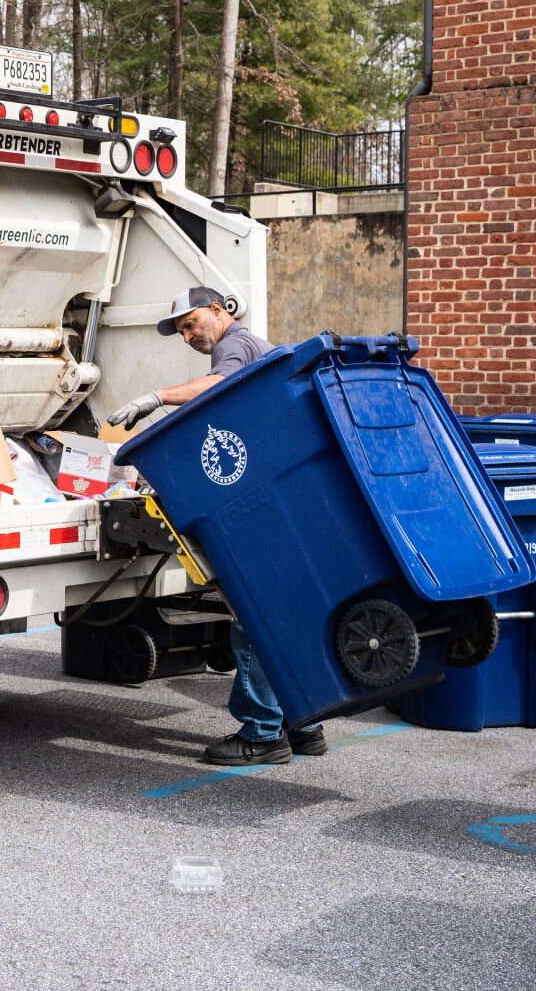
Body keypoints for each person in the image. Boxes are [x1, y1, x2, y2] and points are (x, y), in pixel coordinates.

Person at [106, 286, 326, 767]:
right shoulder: (250, 346)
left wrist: (155, 398)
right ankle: (304, 725)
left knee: (253, 619)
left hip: (268, 510)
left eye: (190, 324)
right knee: (281, 615)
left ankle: (262, 734)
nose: (188, 336)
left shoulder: (235, 344)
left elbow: (216, 387)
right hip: (287, 501)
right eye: (181, 332)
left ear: (217, 310)